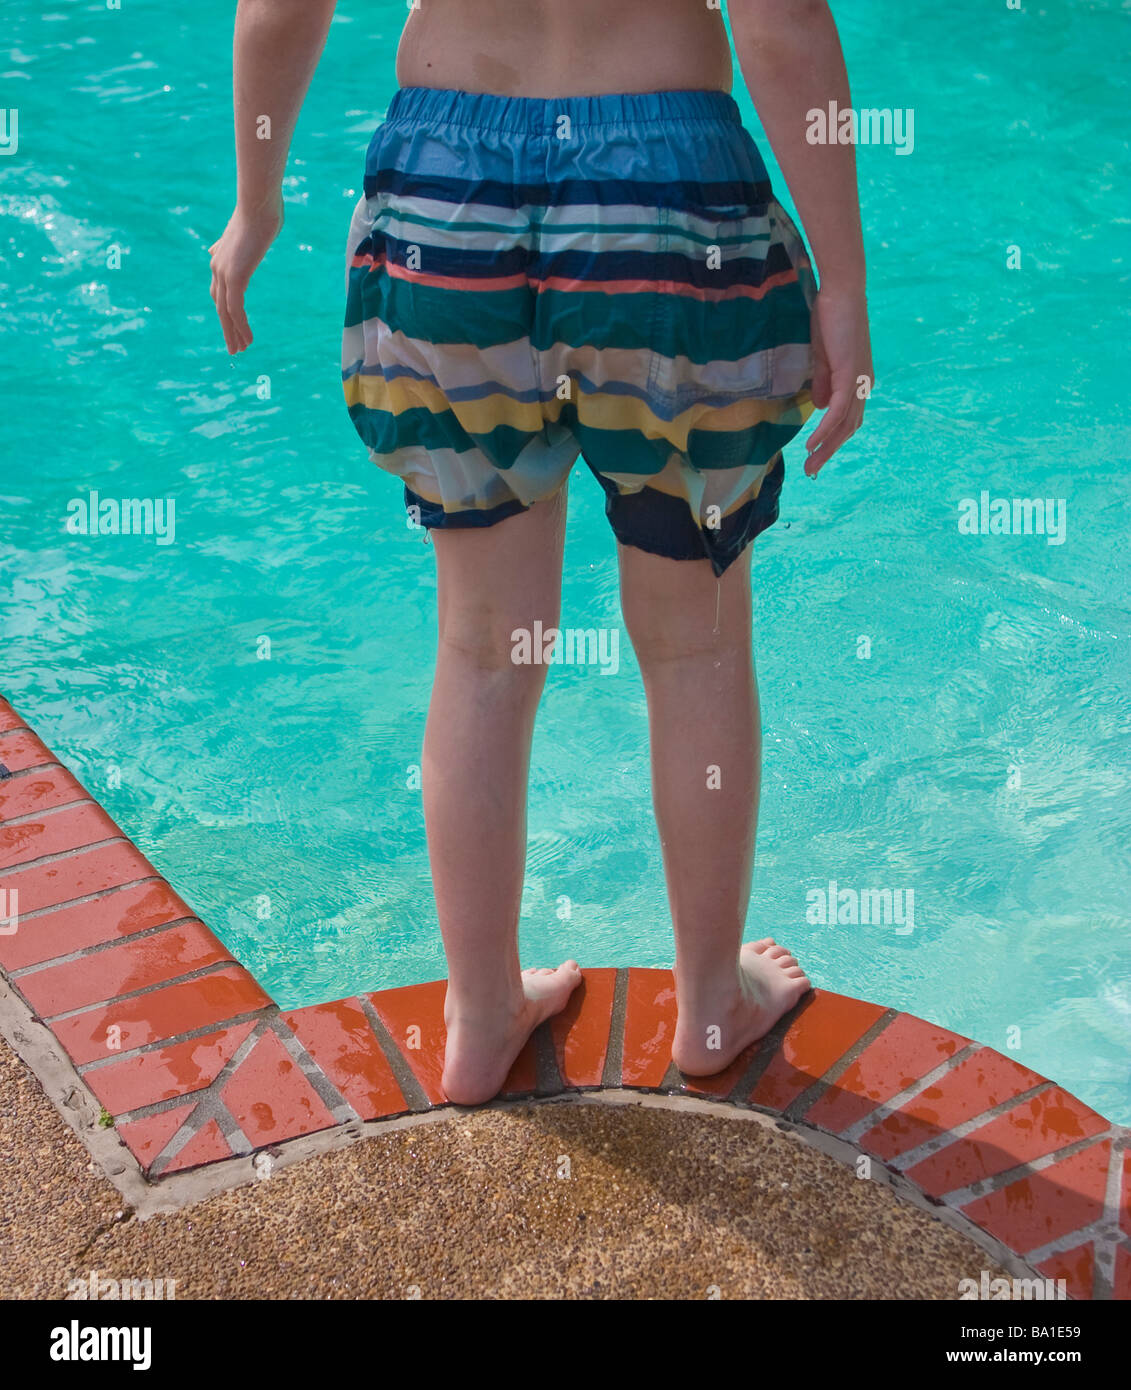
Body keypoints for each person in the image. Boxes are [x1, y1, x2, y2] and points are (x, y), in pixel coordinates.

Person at [209, 0, 873, 1105]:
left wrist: (256, 200)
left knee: (479, 650)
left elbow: (279, 6)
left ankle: (478, 1014)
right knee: (695, 647)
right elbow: (782, 18)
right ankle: (710, 1001)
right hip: (669, 195)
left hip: (445, 191)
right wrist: (843, 283)